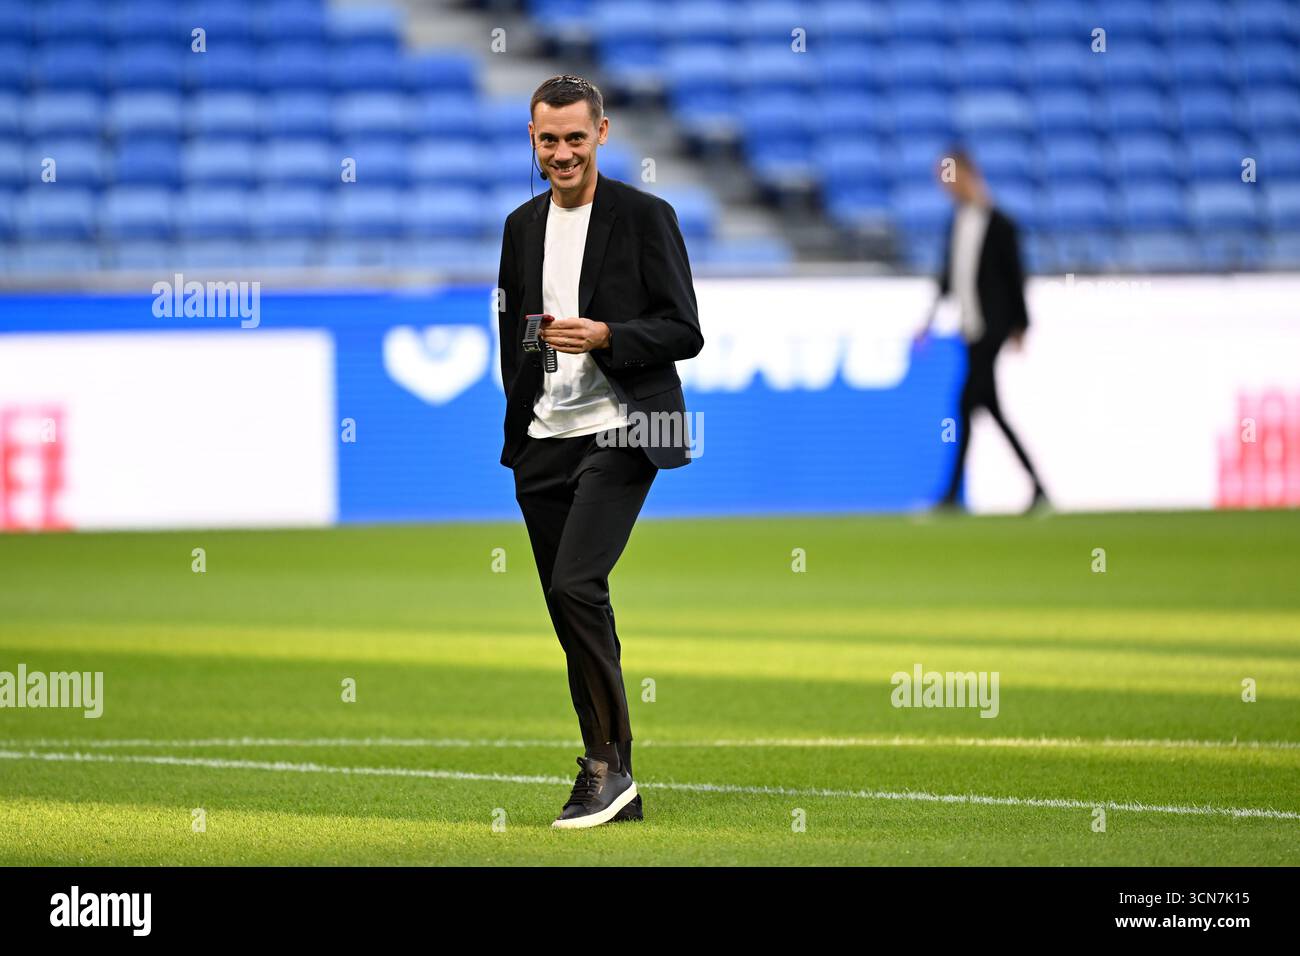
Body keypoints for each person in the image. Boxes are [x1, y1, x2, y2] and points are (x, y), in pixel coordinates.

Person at [495, 75, 703, 828]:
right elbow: (517, 324)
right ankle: (617, 776)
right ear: (532, 139)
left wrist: (607, 334)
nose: (561, 152)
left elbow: (685, 330)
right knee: (569, 604)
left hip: (629, 426)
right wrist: (524, 390)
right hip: (543, 439)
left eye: (575, 138)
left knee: (578, 584)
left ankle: (605, 769)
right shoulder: (520, 226)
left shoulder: (647, 217)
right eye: (548, 139)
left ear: (603, 134)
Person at [916, 148, 1049, 514]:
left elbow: (1014, 277)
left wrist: (1020, 325)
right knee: (986, 408)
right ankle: (1037, 486)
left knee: (964, 405)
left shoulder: (1000, 224)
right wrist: (927, 320)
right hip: (969, 330)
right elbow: (949, 276)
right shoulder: (957, 222)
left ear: (966, 174)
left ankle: (951, 493)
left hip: (991, 329)